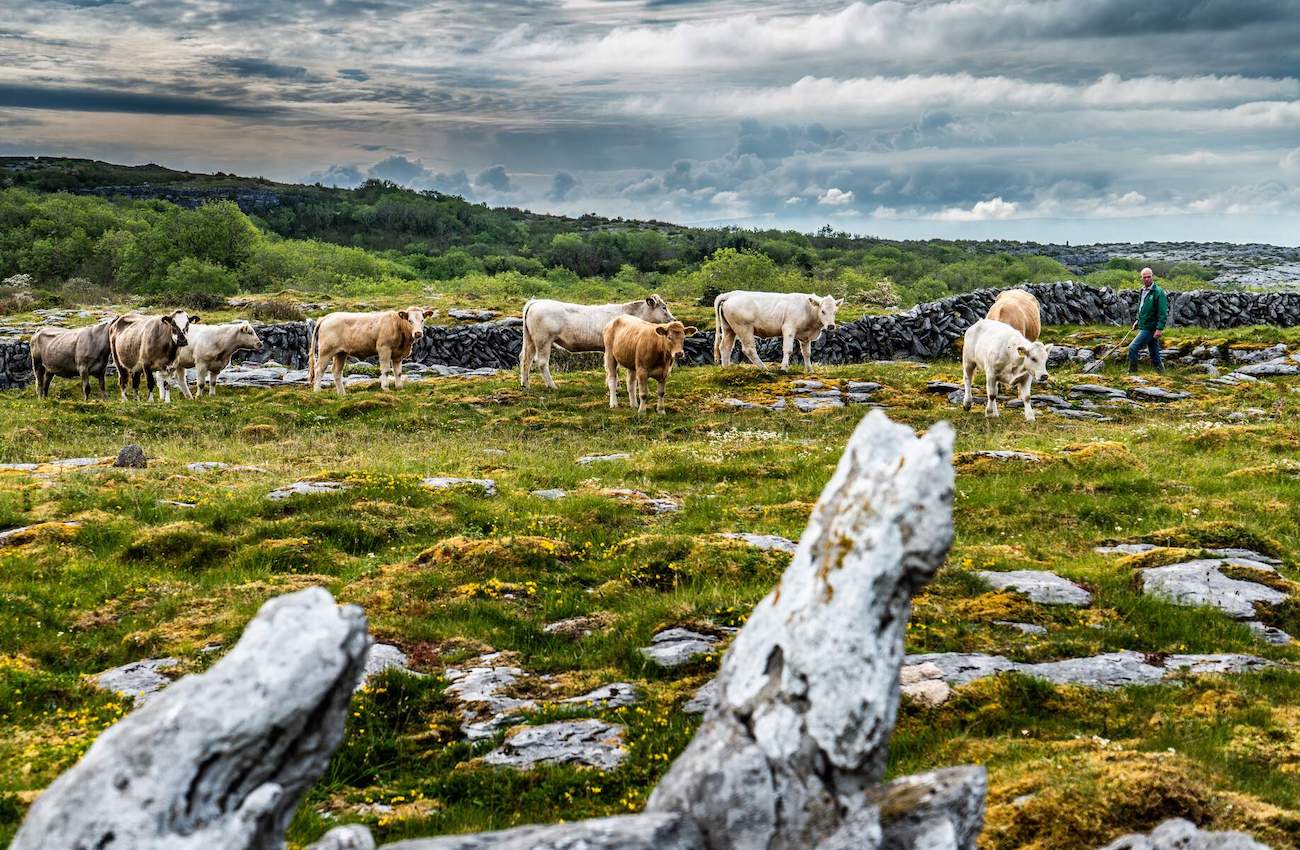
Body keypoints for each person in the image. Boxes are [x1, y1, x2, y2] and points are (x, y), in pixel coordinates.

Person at [1128, 267, 1168, 373]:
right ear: (1141, 278)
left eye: (1149, 277)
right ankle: (1162, 374)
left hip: (1150, 328)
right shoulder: (1142, 290)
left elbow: (1163, 312)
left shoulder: (1158, 292)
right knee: (1154, 354)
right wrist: (1138, 320)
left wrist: (1159, 329)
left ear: (1152, 277)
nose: (1147, 279)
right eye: (1144, 277)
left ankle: (1132, 373)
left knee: (1132, 348)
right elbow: (1141, 308)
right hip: (1144, 325)